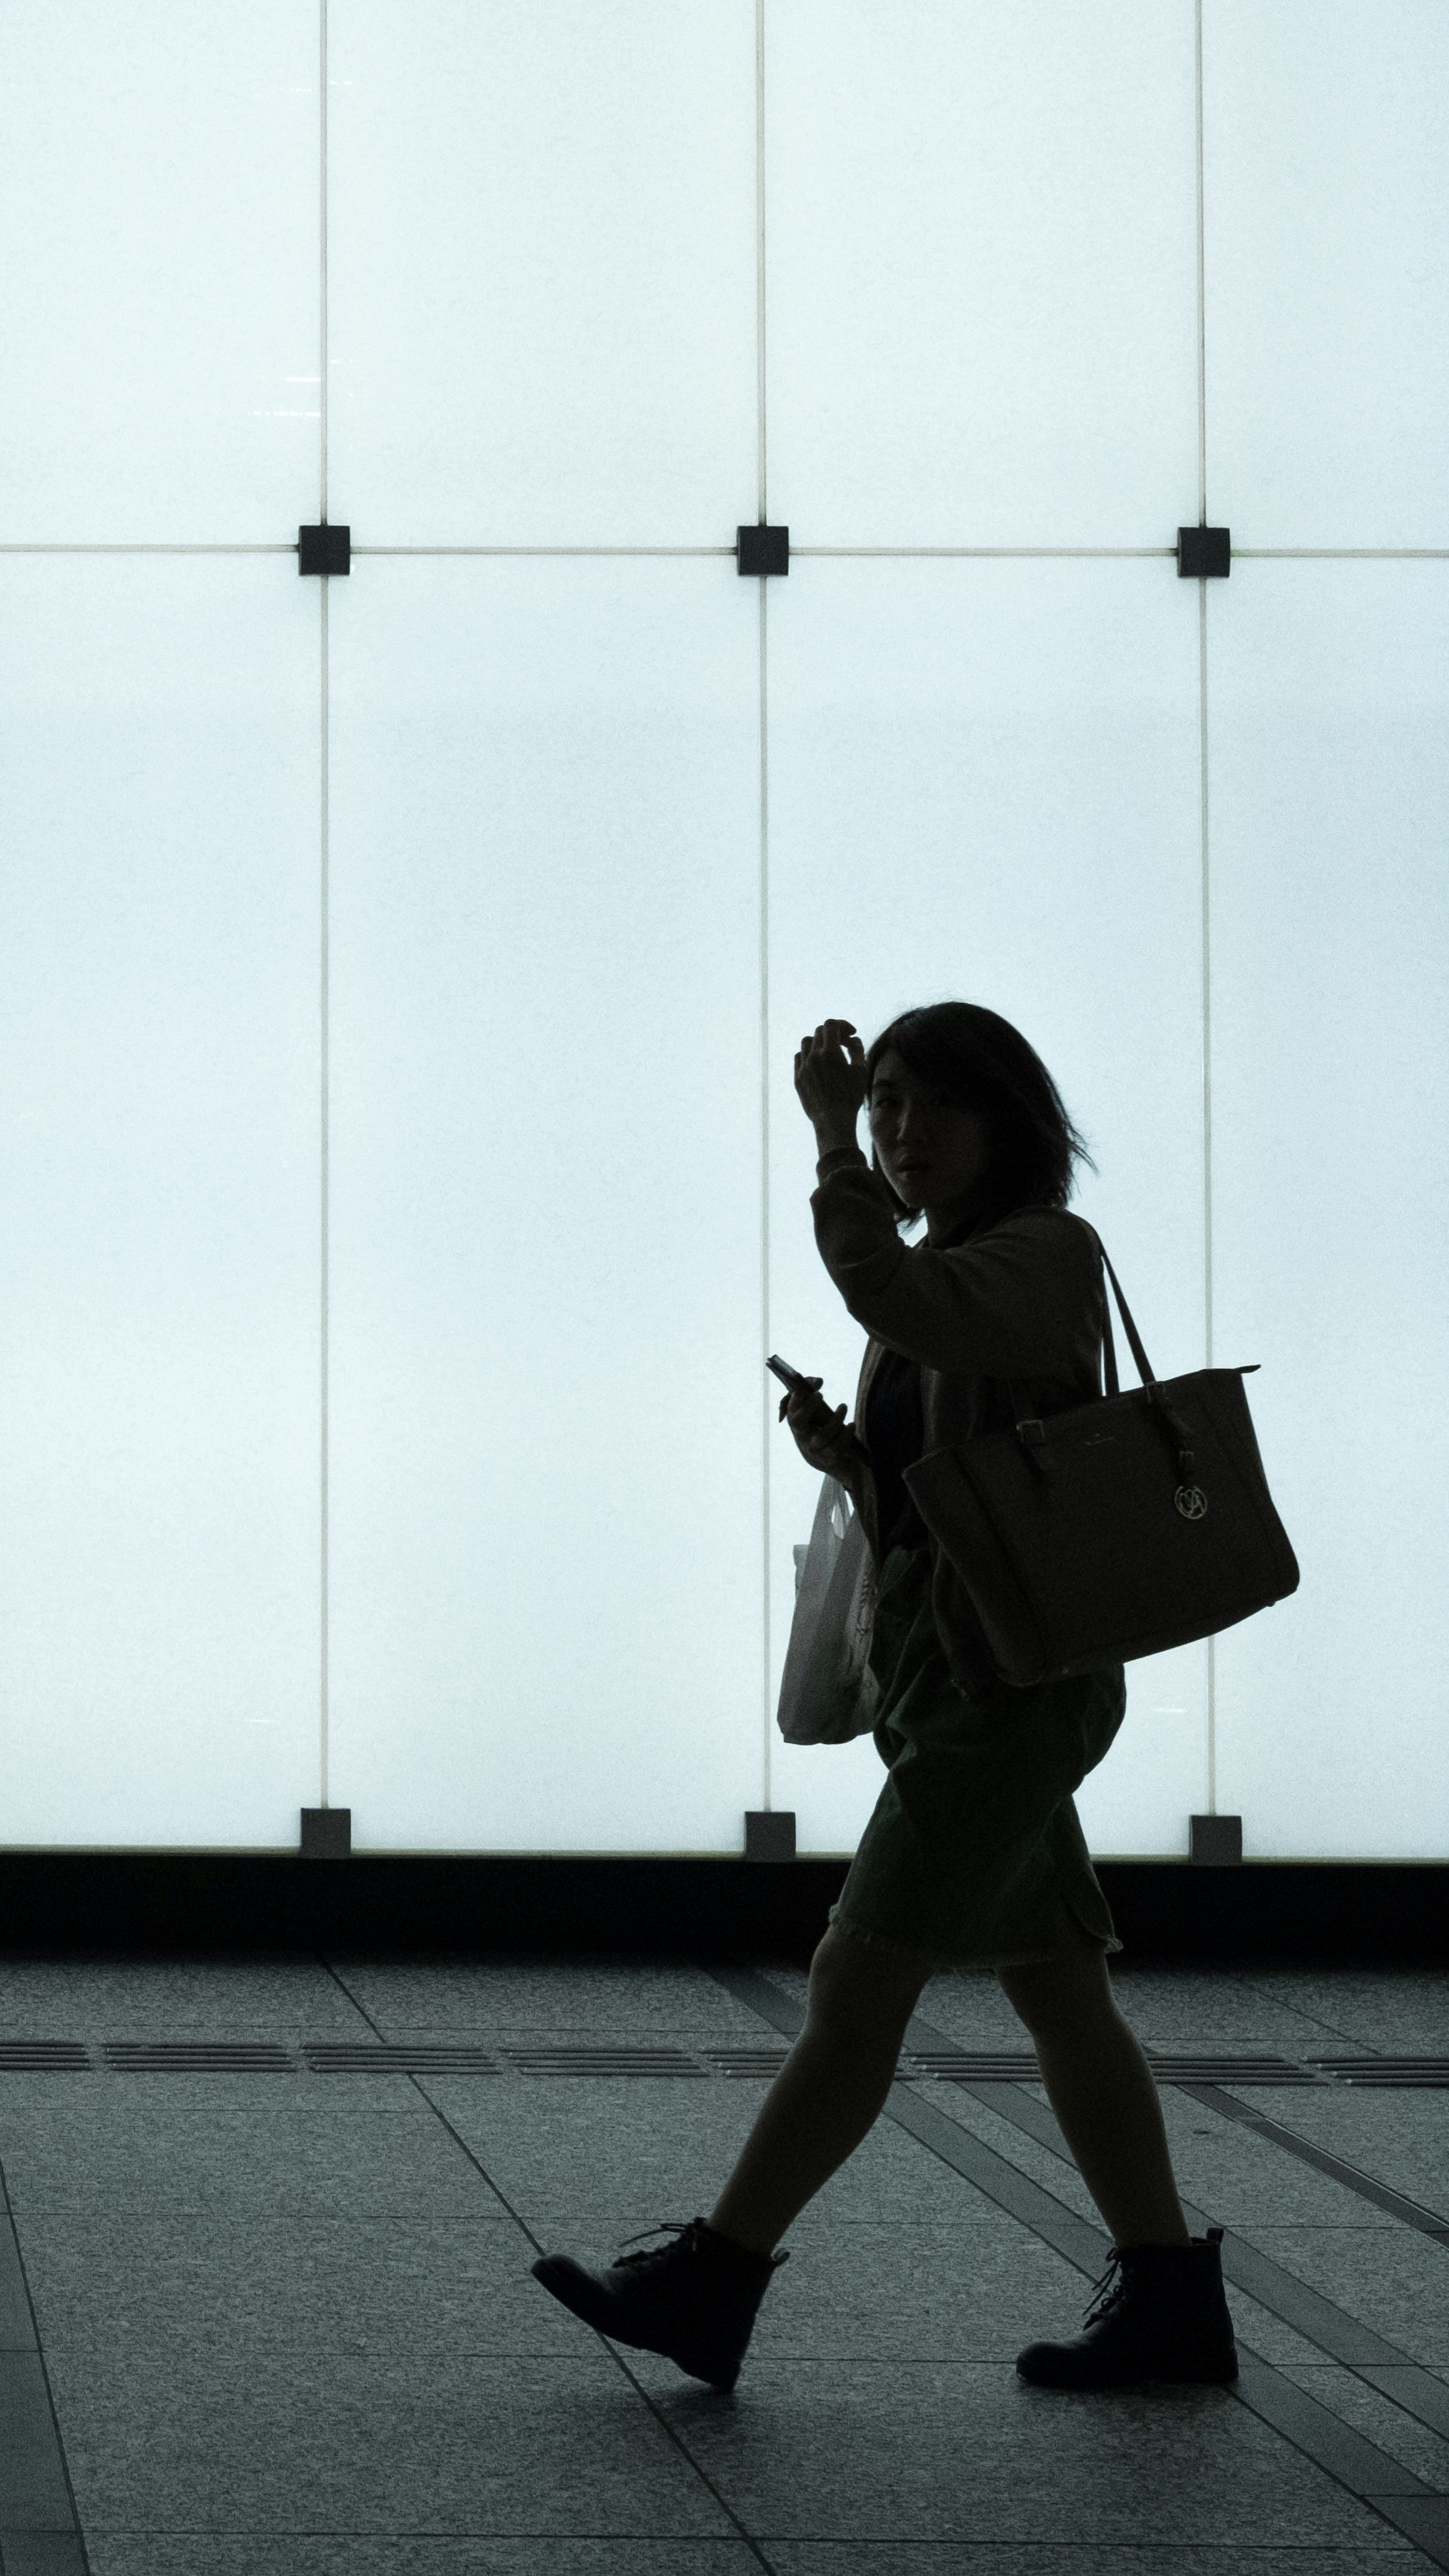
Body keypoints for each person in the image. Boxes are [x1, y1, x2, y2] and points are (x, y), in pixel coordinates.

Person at [530, 1003, 1233, 2392]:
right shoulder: (965, 1262)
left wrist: (827, 1139)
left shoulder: (1040, 1251)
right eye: (889, 1105)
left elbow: (890, 1297)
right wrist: (852, 1455)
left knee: (860, 1971)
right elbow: (958, 1496)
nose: (904, 1134)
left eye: (930, 1108)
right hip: (959, 1675)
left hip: (1006, 1691)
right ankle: (1169, 2299)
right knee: (1058, 1989)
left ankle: (716, 2277)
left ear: (1009, 1121)